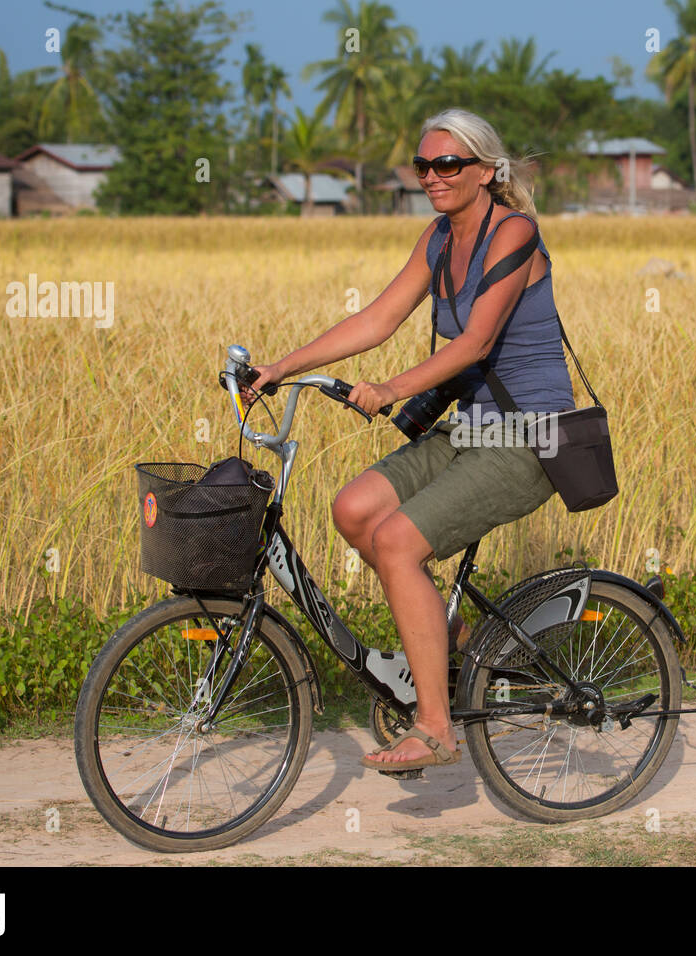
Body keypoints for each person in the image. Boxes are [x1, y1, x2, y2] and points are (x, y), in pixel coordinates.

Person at [243, 108, 574, 772]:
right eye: (423, 165)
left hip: (530, 436)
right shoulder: (437, 239)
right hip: (470, 427)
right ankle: (449, 652)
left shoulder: (513, 233)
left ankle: (435, 727)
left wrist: (390, 391)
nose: (433, 176)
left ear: (484, 171)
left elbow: (477, 341)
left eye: (448, 164)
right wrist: (281, 367)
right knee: (355, 510)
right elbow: (378, 318)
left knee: (397, 541)